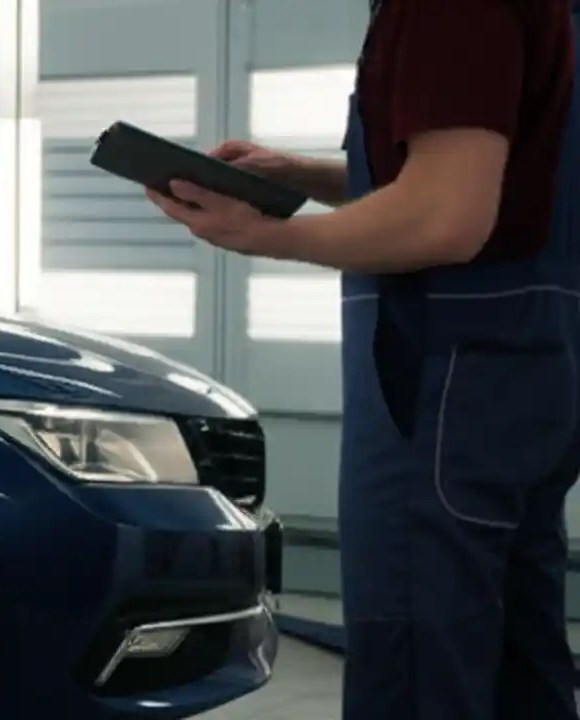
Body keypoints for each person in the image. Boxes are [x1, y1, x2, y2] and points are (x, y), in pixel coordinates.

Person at [147, 1, 580, 718]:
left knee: (419, 664)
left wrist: (259, 234)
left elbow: (444, 214)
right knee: (516, 659)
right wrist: (298, 176)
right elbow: (481, 172)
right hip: (532, 366)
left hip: (441, 391)